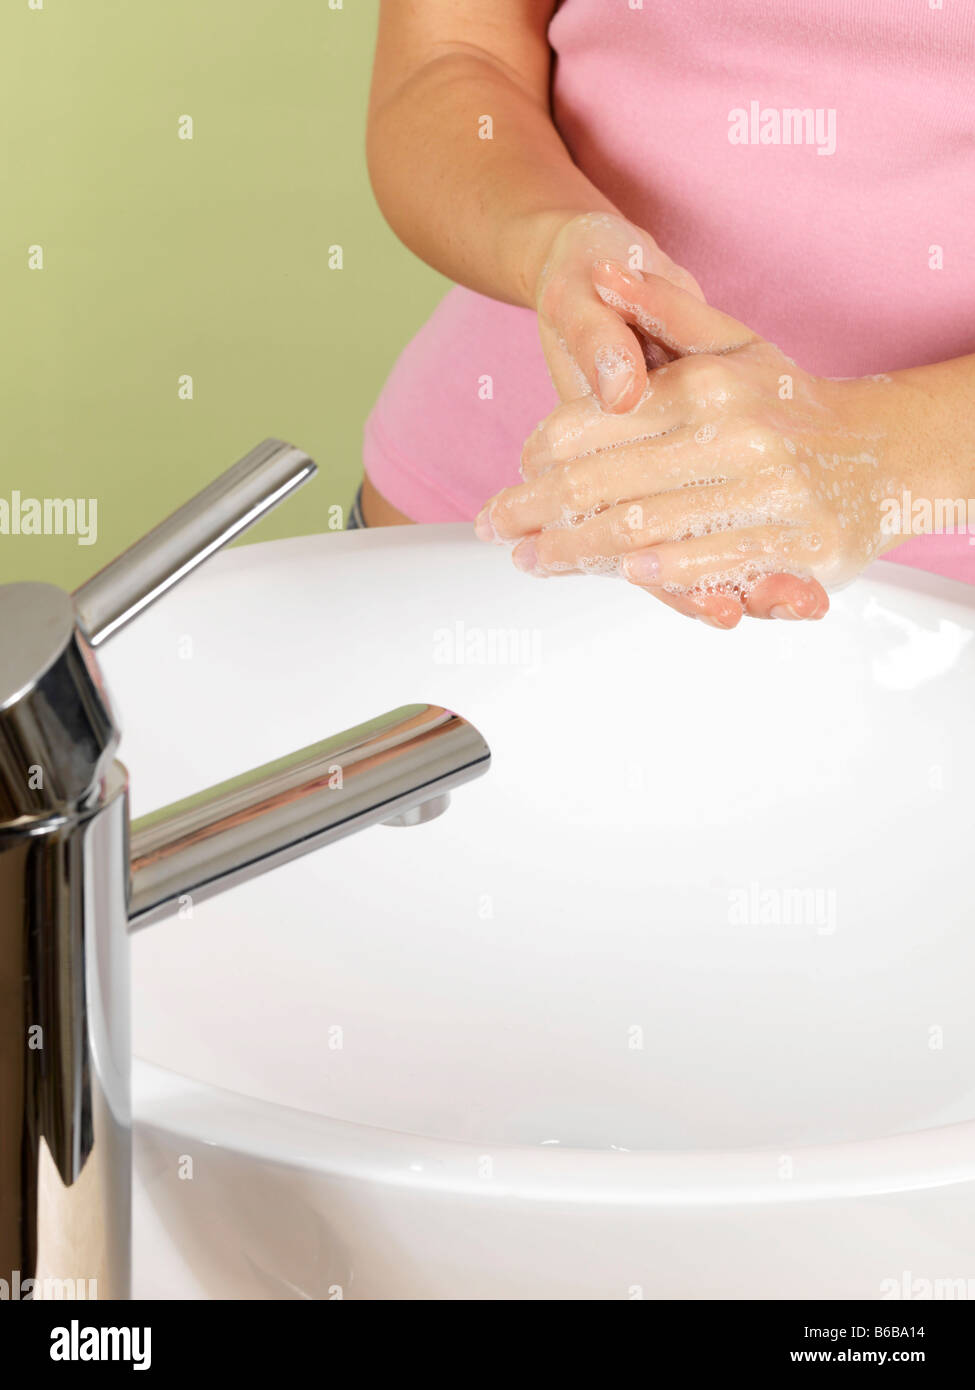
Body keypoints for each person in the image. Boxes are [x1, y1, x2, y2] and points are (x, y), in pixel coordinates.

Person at [358, 0, 975, 628]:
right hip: (483, 517)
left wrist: (886, 454)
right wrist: (554, 247)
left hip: (943, 614)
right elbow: (454, 53)